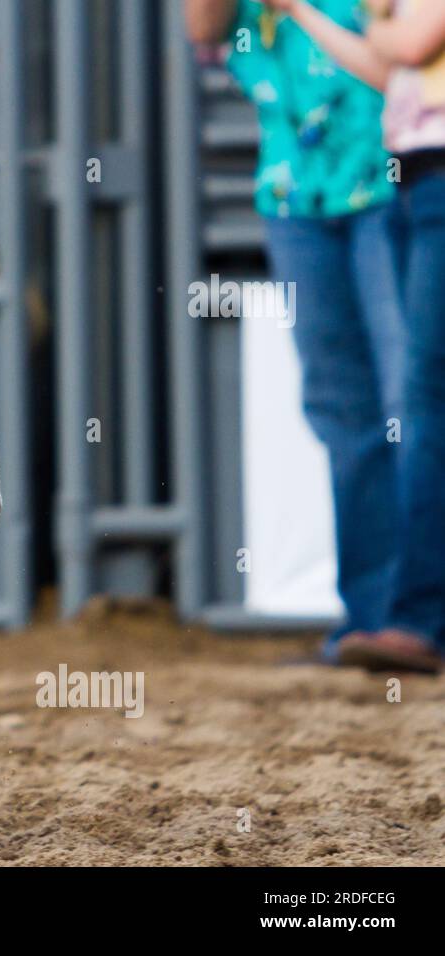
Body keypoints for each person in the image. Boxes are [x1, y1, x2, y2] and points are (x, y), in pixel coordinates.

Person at [184, 2, 409, 667]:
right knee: (343, 409)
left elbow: (397, 61)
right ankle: (373, 619)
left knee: (412, 403)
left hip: (393, 180)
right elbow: (203, 27)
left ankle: (419, 614)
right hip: (295, 194)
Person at [259, 0, 445, 671]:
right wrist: (306, 13)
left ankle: (415, 618)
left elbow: (410, 39)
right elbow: (387, 62)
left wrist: (375, 16)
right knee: (404, 405)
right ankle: (399, 617)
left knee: (421, 401)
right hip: (408, 178)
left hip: (416, 183)